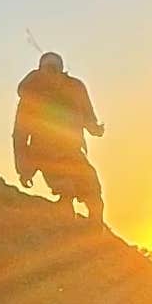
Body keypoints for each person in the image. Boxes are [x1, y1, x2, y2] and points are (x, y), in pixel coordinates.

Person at [14, 51, 106, 227]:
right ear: (40, 71)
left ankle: (96, 233)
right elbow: (20, 133)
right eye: (47, 69)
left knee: (93, 188)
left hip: (72, 150)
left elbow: (88, 115)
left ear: (62, 70)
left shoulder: (75, 88)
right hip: (44, 153)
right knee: (66, 188)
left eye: (55, 69)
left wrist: (95, 128)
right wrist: (23, 168)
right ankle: (65, 223)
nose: (51, 73)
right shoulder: (31, 95)